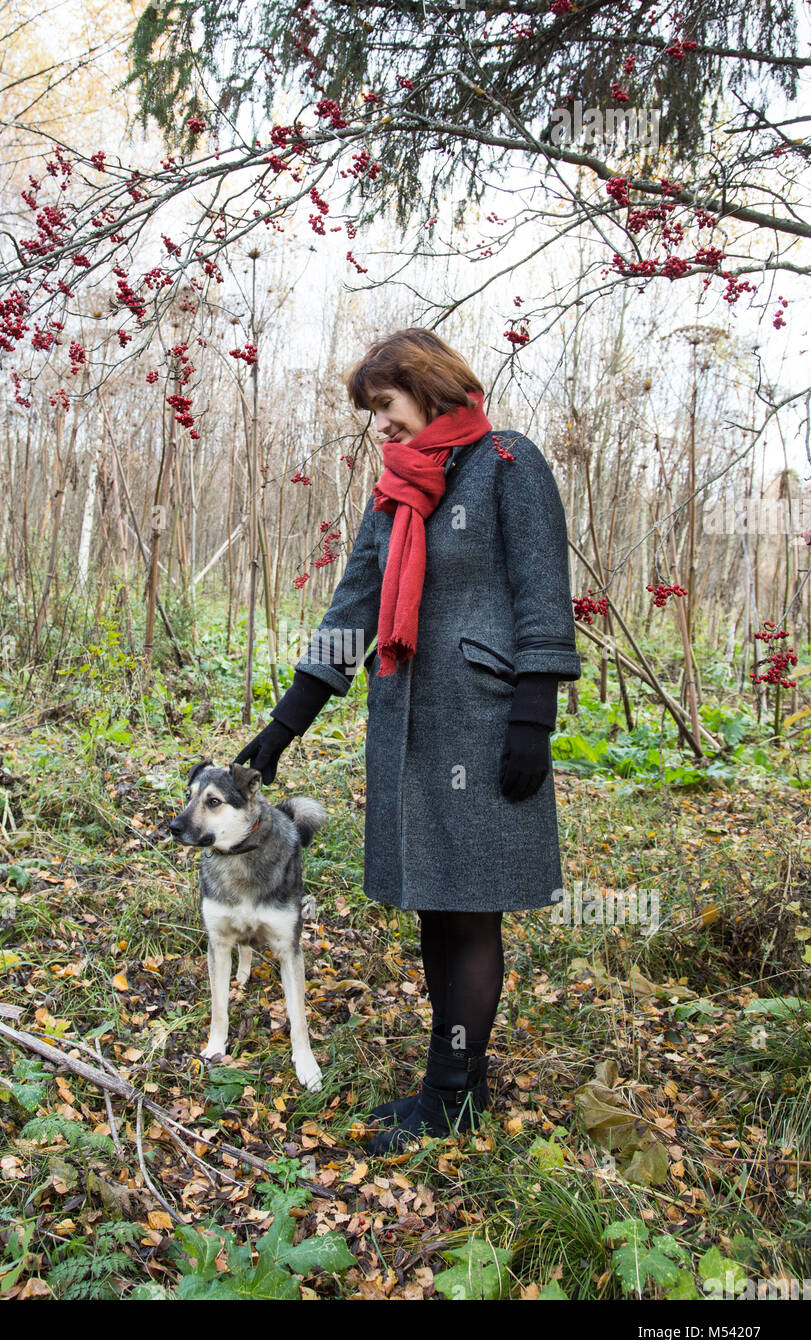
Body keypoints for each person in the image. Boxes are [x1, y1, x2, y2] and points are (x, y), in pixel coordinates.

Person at [236, 328, 581, 1155]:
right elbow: (351, 613)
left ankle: (450, 1095)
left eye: (384, 406)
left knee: (468, 909)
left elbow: (542, 590)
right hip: (409, 730)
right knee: (438, 902)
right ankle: (458, 1077)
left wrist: (534, 715)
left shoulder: (508, 462)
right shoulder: (394, 490)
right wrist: (282, 725)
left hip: (488, 725)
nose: (379, 427)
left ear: (426, 386)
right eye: (372, 414)